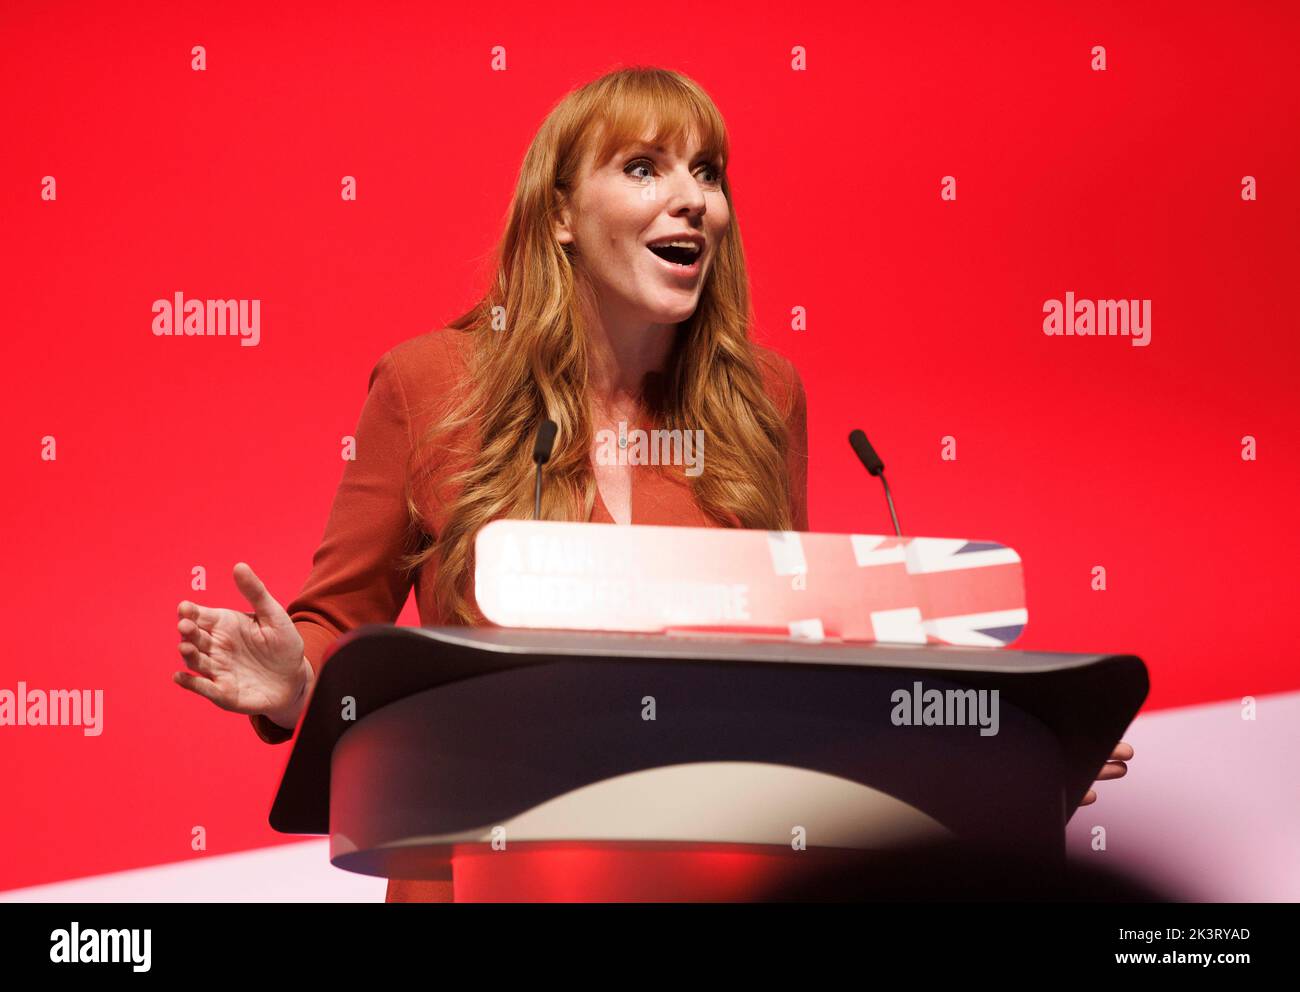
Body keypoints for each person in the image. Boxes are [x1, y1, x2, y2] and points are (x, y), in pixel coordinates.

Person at [170, 65, 1131, 902]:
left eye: (707, 174)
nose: (694, 202)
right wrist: (296, 684)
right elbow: (340, 620)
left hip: (713, 871)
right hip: (479, 870)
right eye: (645, 169)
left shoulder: (763, 399)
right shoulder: (430, 384)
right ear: (558, 216)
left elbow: (798, 671)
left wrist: (987, 753)